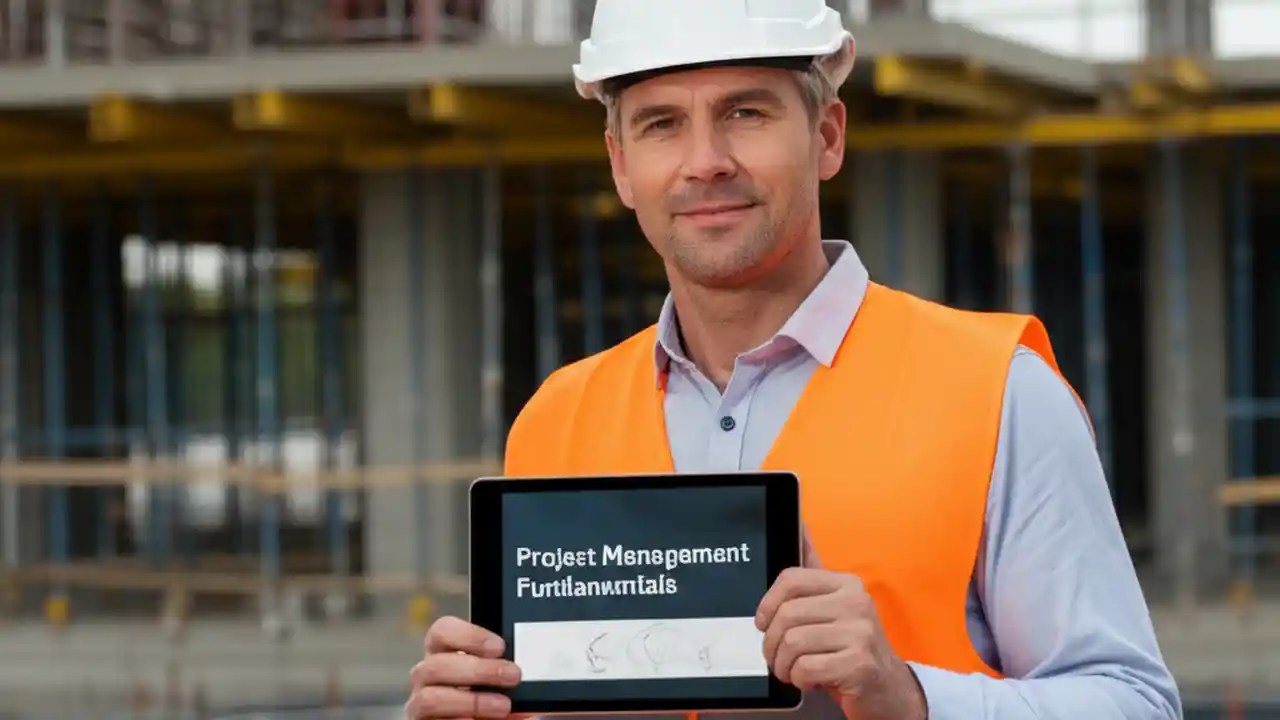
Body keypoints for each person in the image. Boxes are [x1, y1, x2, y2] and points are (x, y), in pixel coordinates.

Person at [405, 2, 1183, 719]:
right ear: (620, 164)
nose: (705, 160)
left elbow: (1135, 703)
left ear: (828, 136)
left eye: (746, 113)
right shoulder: (556, 420)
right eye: (662, 124)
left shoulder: (997, 392)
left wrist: (907, 695)